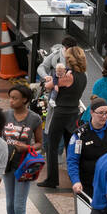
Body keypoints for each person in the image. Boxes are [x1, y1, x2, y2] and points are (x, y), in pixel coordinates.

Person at [40, 44, 87, 189]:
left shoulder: (69, 76)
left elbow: (48, 86)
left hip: (61, 113)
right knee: (70, 147)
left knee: (52, 146)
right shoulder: (83, 76)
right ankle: (75, 178)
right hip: (73, 113)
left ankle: (52, 179)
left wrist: (50, 78)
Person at [0, 84, 42, 214]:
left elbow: (39, 143)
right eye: (10, 97)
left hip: (25, 165)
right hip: (7, 163)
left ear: (25, 99)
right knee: (10, 203)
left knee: (19, 204)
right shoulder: (4, 116)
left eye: (15, 98)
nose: (11, 101)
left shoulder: (34, 118)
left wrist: (27, 147)